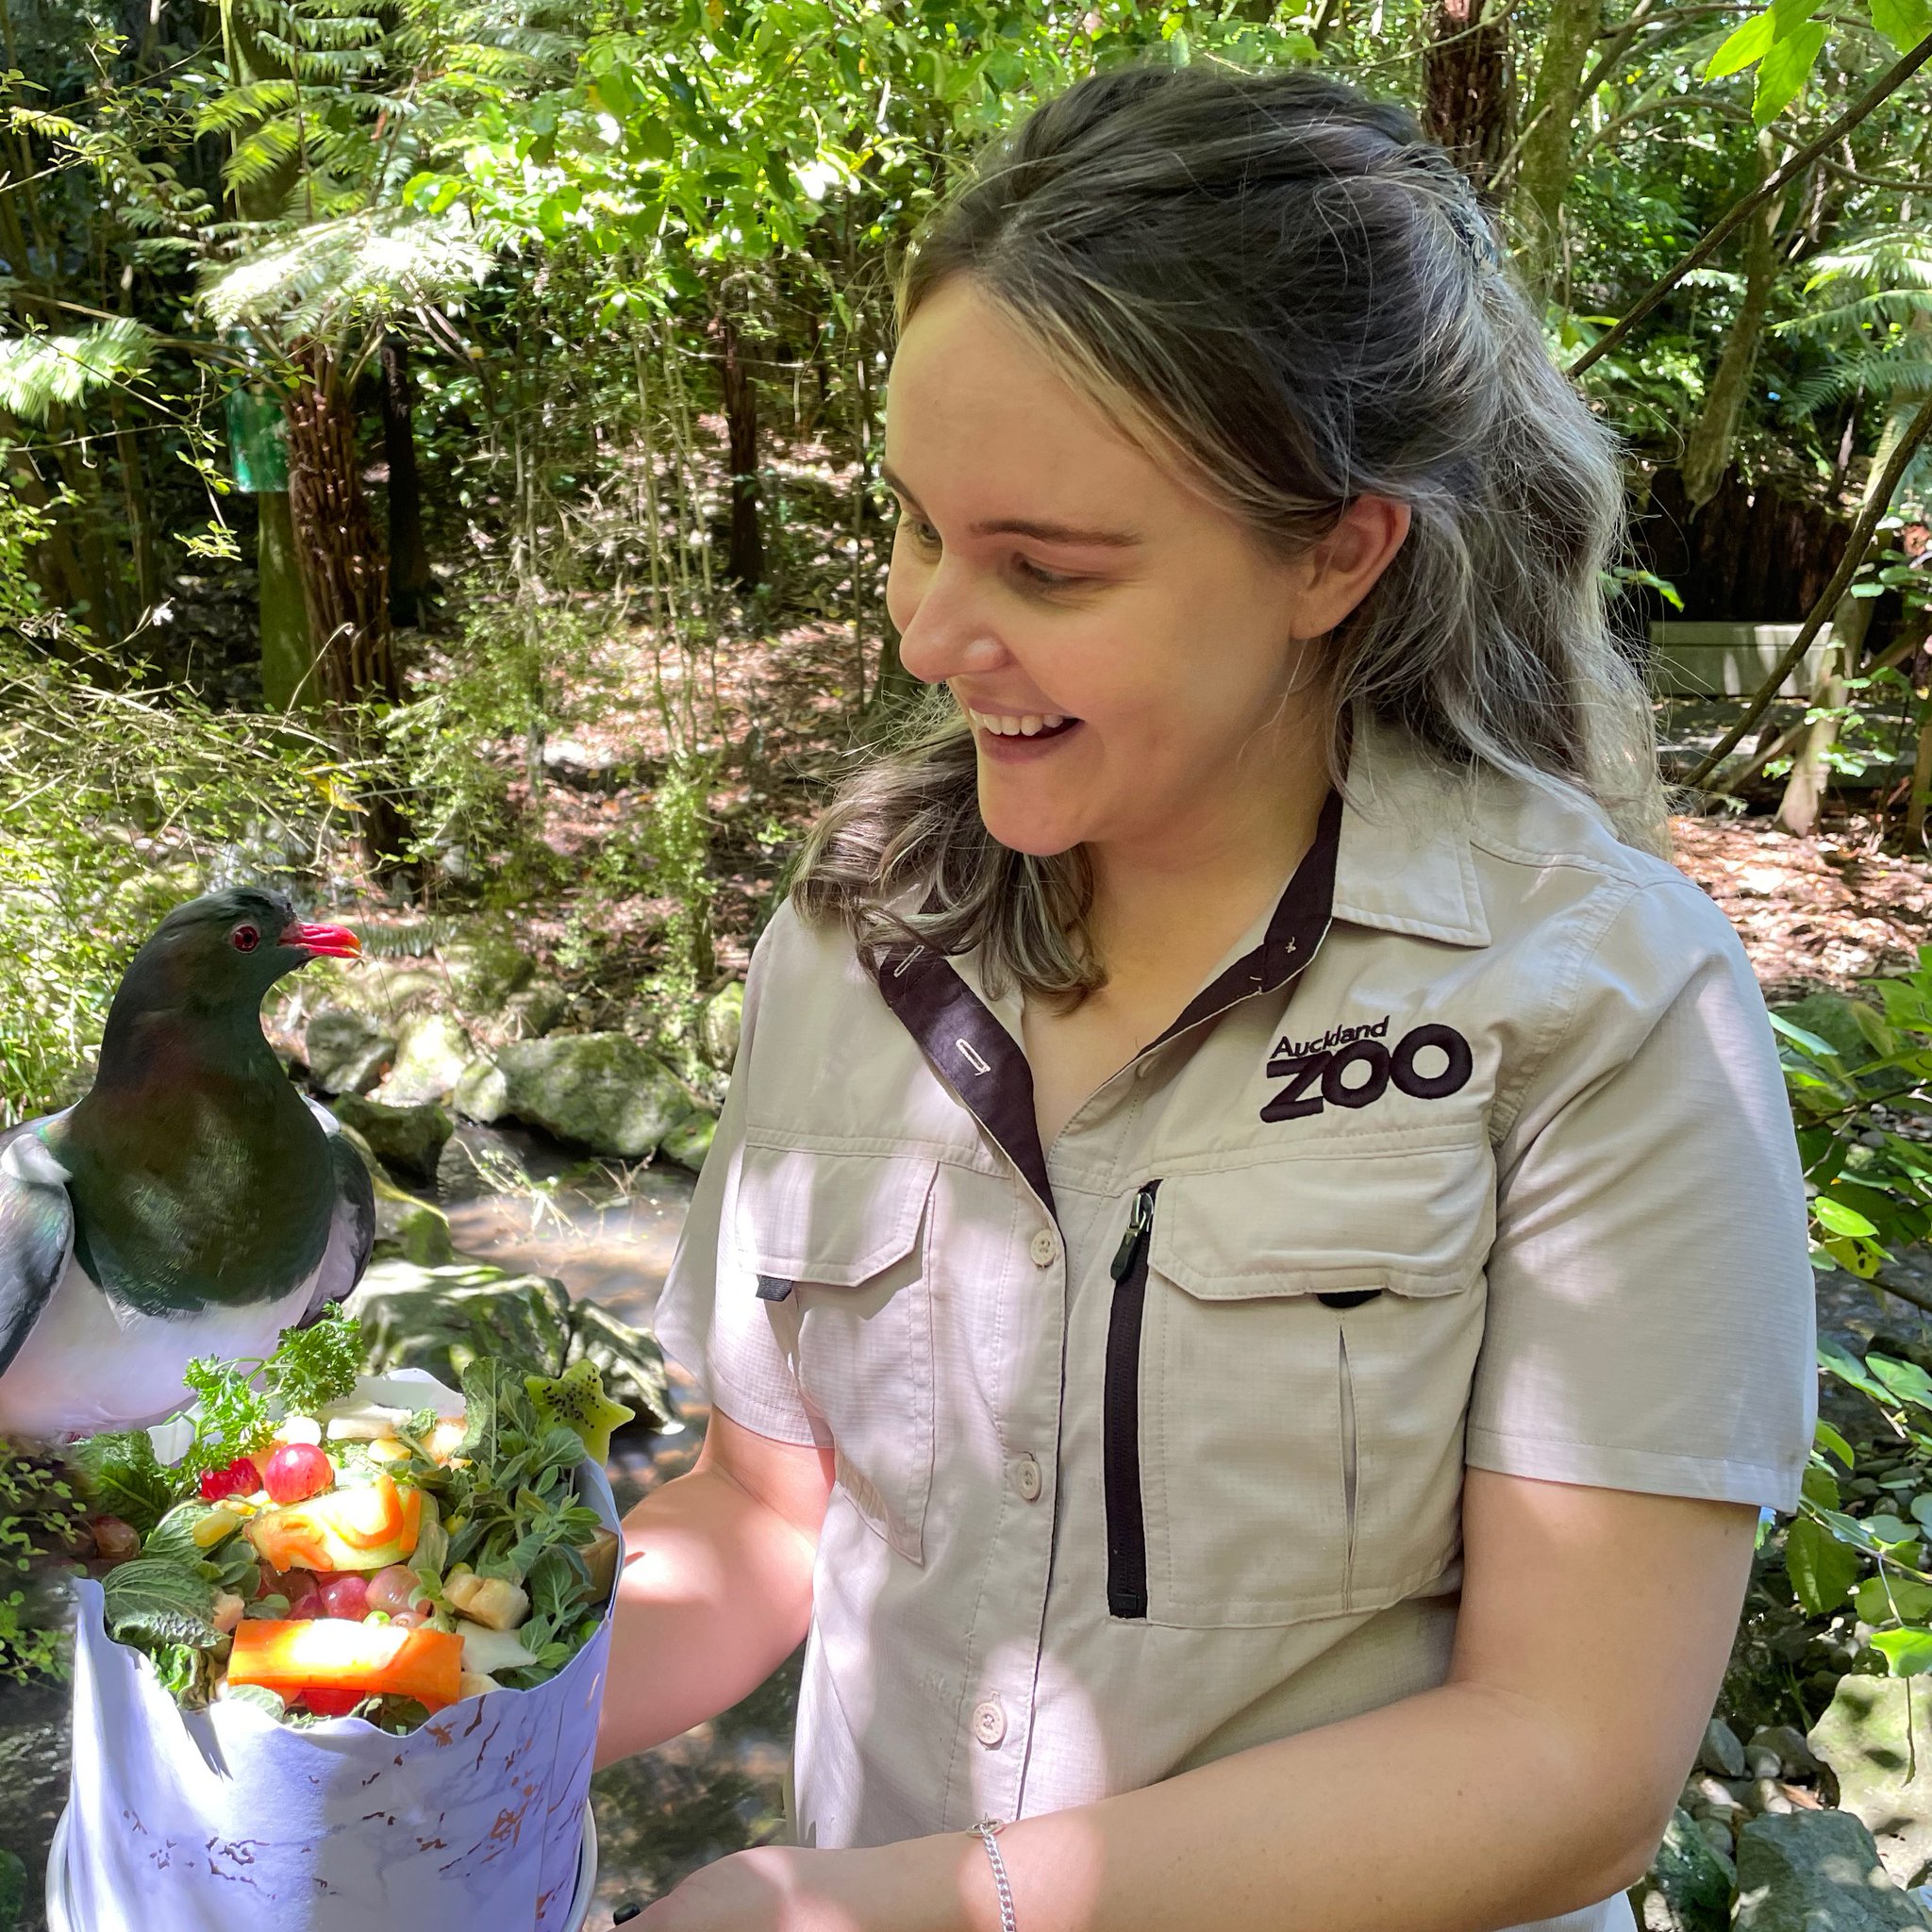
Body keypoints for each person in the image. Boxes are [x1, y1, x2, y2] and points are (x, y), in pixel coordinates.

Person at [595, 64, 1816, 1932]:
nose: (927, 632)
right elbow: (769, 1515)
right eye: (918, 524)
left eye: (1045, 567)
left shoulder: (1589, 1000)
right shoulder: (854, 941)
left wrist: (909, 1909)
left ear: (1335, 552)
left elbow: (1569, 1763)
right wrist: (411, 1692)